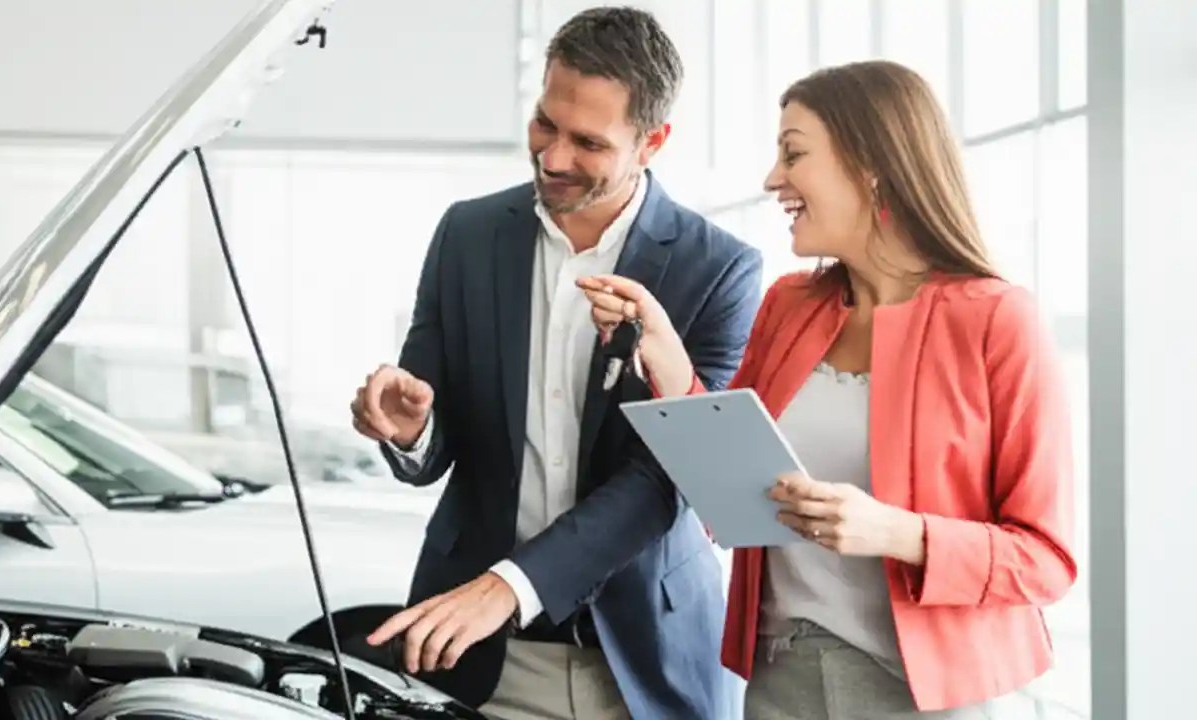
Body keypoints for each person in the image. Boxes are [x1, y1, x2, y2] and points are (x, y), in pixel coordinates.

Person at [580, 60, 1077, 719]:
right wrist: (668, 359)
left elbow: (1045, 559)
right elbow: (732, 476)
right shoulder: (790, 304)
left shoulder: (995, 318)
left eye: (794, 154)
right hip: (780, 678)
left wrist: (897, 532)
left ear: (871, 164)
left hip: (928, 697)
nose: (771, 179)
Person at [350, 7, 763, 719]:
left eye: (588, 142)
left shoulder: (719, 270)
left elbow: (671, 480)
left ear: (652, 141)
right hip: (479, 660)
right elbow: (437, 421)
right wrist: (410, 428)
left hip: (644, 665)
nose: (553, 157)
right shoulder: (467, 234)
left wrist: (509, 585)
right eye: (545, 123)